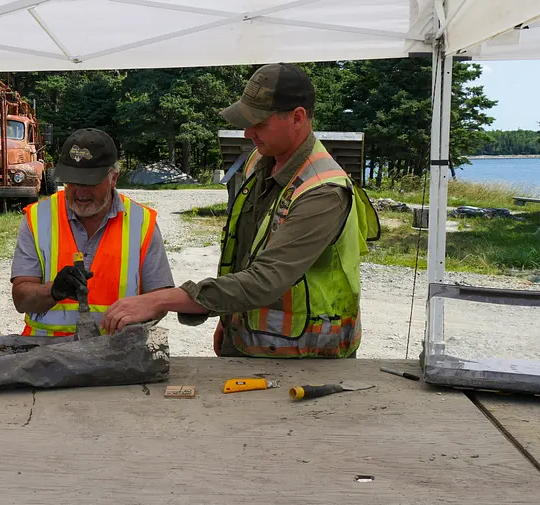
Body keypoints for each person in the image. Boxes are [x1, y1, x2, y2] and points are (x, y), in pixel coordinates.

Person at [102, 63, 377, 358]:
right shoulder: (261, 160)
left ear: (297, 117)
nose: (247, 133)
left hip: (307, 358)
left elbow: (266, 279)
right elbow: (245, 253)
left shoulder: (323, 192)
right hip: (257, 342)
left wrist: (161, 299)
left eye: (259, 123)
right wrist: (230, 319)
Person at [10, 128, 175, 337]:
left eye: (90, 182)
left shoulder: (141, 222)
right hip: (46, 355)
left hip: (117, 355)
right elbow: (21, 299)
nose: (80, 191)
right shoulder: (37, 217)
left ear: (113, 178)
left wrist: (137, 311)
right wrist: (53, 291)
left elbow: (161, 300)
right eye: (72, 181)